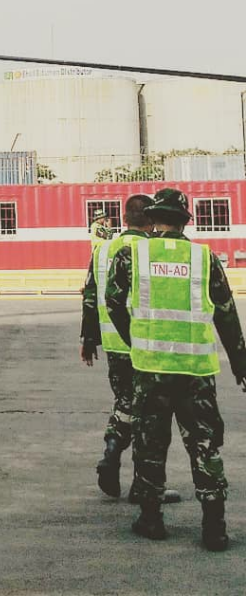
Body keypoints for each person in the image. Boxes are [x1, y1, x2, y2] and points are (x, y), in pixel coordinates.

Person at [106, 188, 246, 551]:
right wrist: (240, 364)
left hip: (150, 369)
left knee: (150, 444)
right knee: (204, 445)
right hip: (196, 372)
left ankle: (151, 519)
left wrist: (135, 338)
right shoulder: (204, 258)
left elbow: (112, 301)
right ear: (186, 221)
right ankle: (214, 527)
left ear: (152, 220)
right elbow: (227, 314)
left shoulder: (131, 254)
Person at [80, 194, 179, 503]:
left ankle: (114, 451)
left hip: (113, 343)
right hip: (144, 342)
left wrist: (89, 339)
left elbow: (90, 293)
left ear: (123, 219)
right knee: (147, 414)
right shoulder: (149, 250)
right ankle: (142, 483)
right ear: (150, 220)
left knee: (126, 401)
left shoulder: (104, 248)